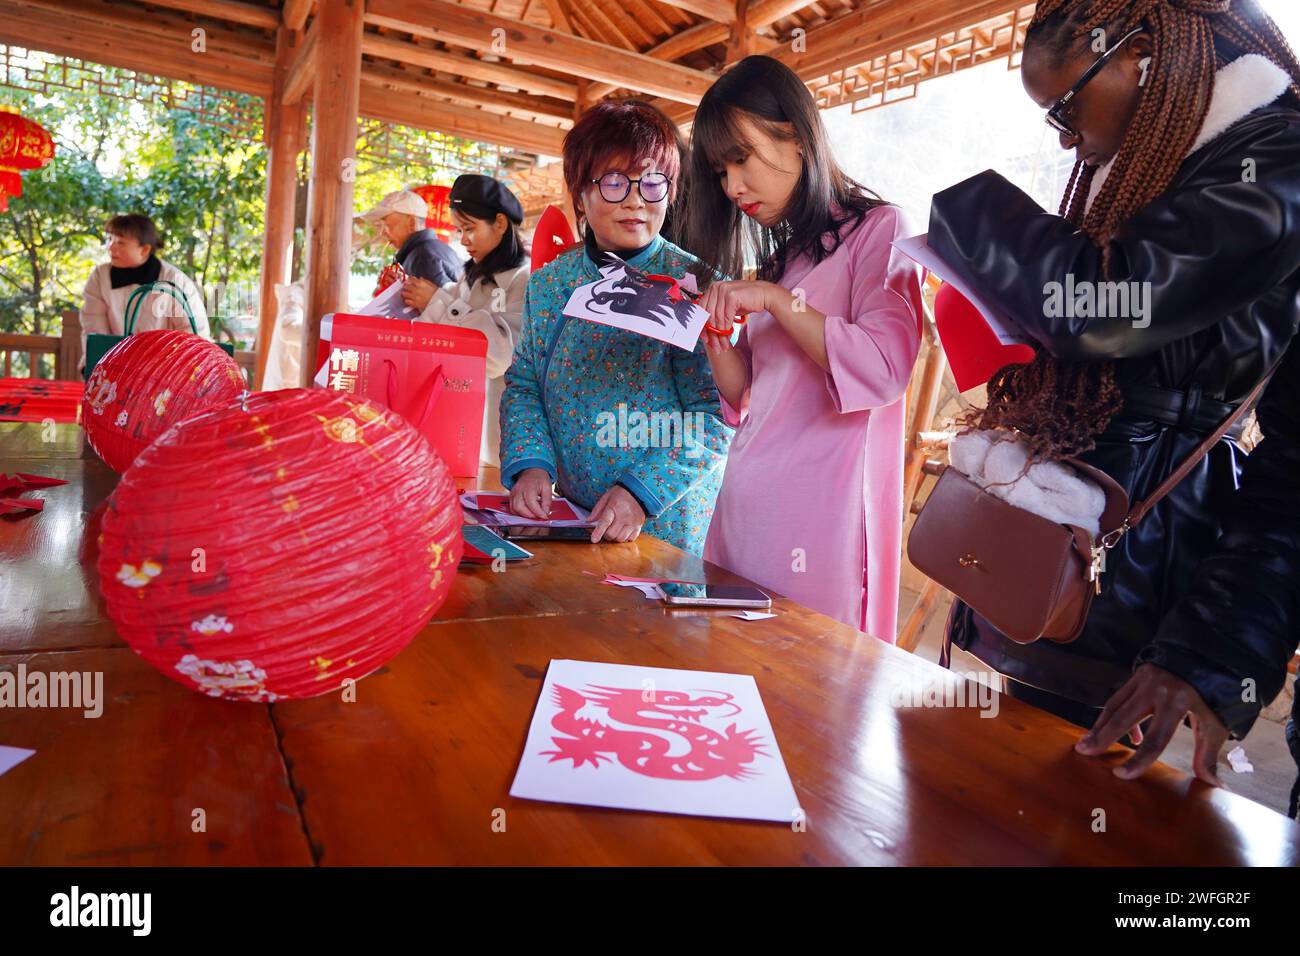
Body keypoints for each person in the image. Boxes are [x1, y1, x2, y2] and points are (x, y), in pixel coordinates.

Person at [924, 0, 1300, 780]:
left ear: (1139, 54)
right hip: (1048, 562)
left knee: (1082, 817)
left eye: (1064, 104)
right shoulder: (1155, 166)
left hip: (1142, 586)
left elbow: (1103, 305)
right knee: (987, 792)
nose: (1064, 136)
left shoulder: (1278, 155)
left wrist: (966, 208)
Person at [682, 55, 923, 638]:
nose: (733, 185)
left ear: (795, 133)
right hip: (744, 505)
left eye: (740, 159)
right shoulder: (781, 259)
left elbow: (884, 368)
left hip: (821, 525)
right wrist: (716, 337)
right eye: (720, 171)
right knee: (731, 696)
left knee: (814, 699)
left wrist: (772, 299)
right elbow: (747, 399)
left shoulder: (881, 230)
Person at [499, 99, 731, 553]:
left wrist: (639, 493)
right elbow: (525, 383)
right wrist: (532, 465)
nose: (634, 200)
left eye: (651, 182)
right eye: (612, 182)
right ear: (580, 194)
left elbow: (715, 416)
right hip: (566, 517)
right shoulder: (550, 284)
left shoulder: (698, 287)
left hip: (662, 526)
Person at [400, 174, 531, 467]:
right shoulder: (469, 276)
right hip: (456, 422)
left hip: (498, 436)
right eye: (460, 230)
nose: (464, 240)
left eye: (470, 229)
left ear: (499, 223)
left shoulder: (526, 279)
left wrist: (437, 303)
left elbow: (496, 356)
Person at [79, 213, 210, 372]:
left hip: (166, 372)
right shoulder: (100, 277)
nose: (110, 247)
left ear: (145, 249)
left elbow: (194, 334)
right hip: (115, 369)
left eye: (120, 242)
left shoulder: (175, 280)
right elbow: (94, 330)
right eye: (110, 239)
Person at [362, 189, 462, 287]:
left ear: (411, 223)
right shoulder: (434, 249)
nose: (382, 233)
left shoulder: (423, 257)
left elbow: (437, 302)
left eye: (387, 225)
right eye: (380, 226)